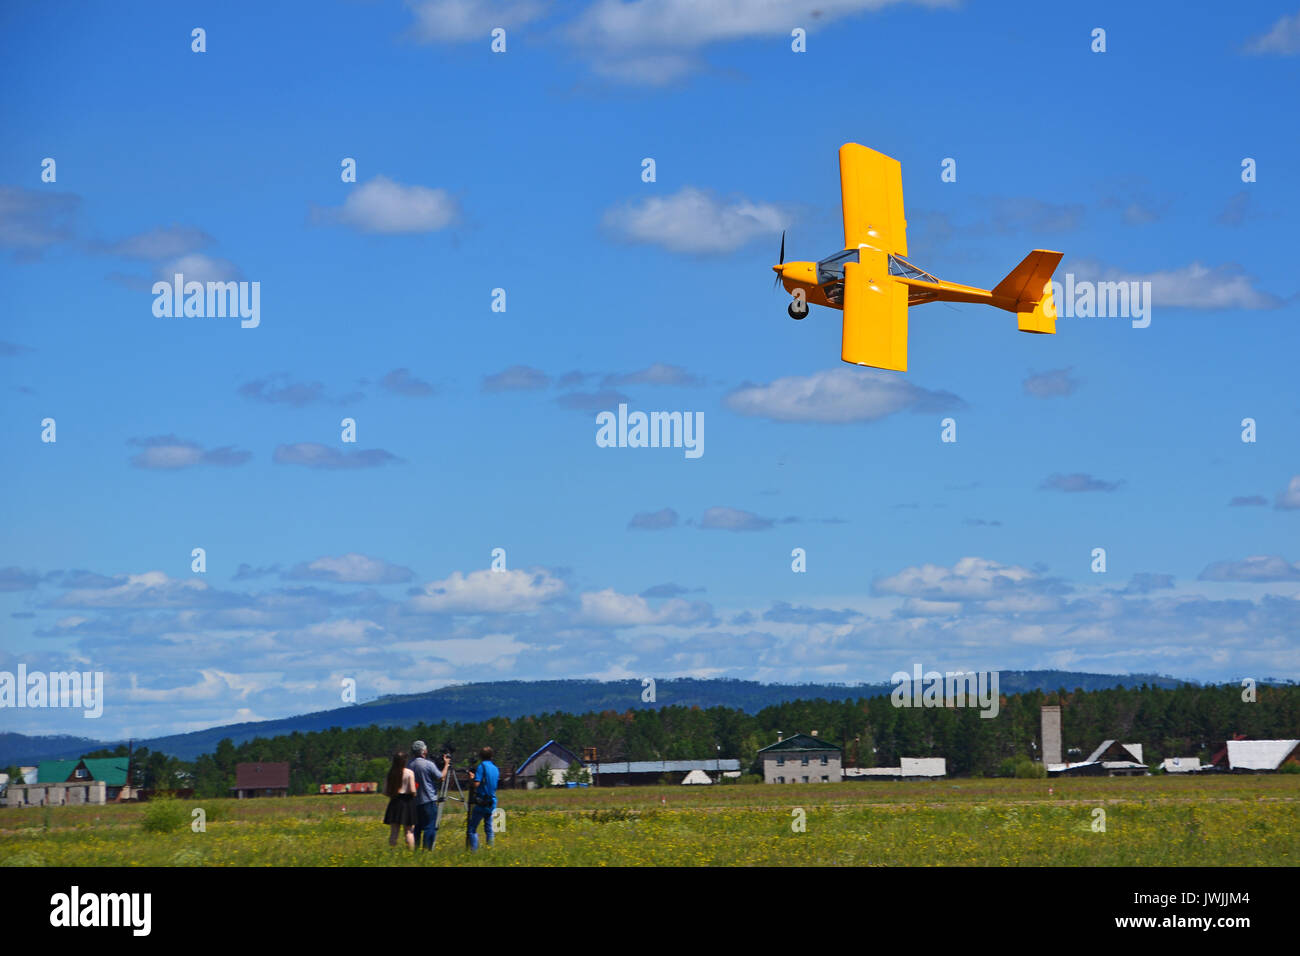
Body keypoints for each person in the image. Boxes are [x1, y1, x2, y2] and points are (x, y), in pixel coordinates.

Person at [407, 740, 445, 850]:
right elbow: (441, 777)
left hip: (415, 801)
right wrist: (446, 765)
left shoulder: (409, 764)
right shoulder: (428, 764)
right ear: (424, 751)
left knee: (417, 827)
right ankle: (427, 849)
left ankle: (416, 848)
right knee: (430, 826)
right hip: (429, 799)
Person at [466, 746, 499, 851]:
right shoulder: (495, 768)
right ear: (492, 756)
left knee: (472, 829)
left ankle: (474, 851)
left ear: (481, 756)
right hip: (492, 801)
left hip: (482, 802)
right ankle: (490, 849)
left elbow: (476, 784)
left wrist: (471, 779)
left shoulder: (482, 767)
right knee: (489, 829)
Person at [382, 751, 418, 848]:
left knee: (394, 832)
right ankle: (410, 854)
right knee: (409, 832)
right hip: (407, 802)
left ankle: (392, 852)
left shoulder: (390, 773)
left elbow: (385, 792)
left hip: (394, 802)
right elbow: (412, 790)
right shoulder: (409, 773)